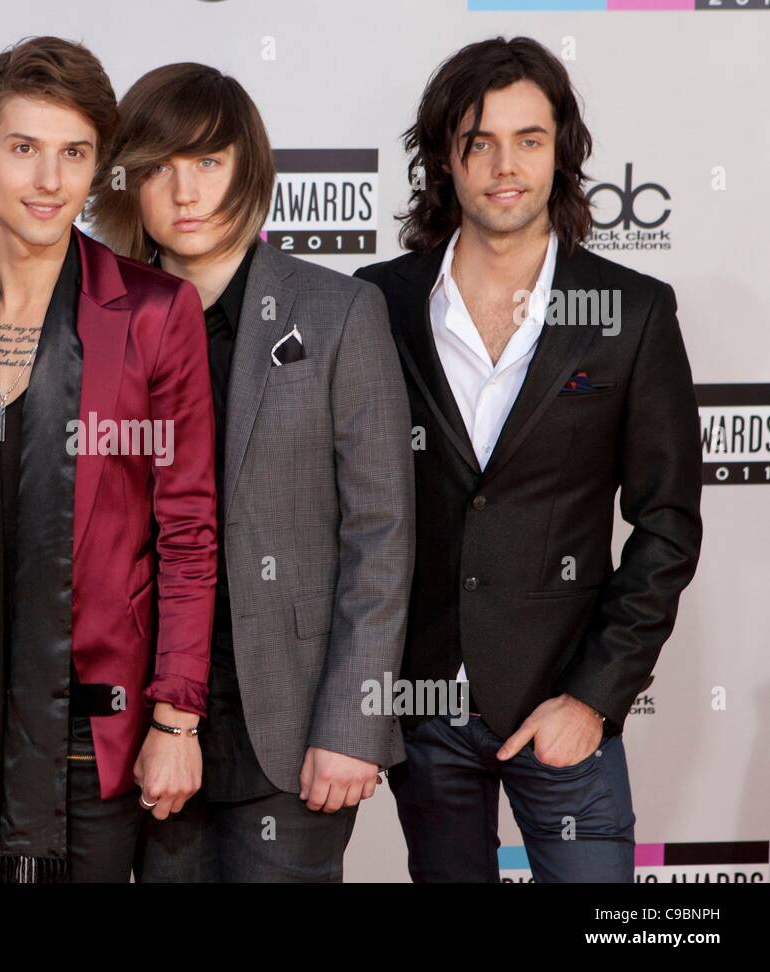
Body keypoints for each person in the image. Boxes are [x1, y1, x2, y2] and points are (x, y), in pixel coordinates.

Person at [355, 36, 703, 882]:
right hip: (426, 711)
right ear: (446, 157)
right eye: (479, 141)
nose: (504, 165)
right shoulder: (377, 304)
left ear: (562, 152)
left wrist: (592, 698)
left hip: (565, 707)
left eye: (529, 139)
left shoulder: (632, 311)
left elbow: (666, 526)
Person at [0, 36, 218, 882]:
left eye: (74, 154)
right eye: (23, 149)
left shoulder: (153, 313)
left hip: (93, 714)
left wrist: (177, 718)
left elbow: (187, 530)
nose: (48, 181)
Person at [90, 63, 415, 882]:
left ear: (251, 169)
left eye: (208, 162)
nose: (184, 191)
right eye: (159, 166)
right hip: (145, 726)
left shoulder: (339, 311)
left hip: (294, 720)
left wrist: (353, 722)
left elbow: (381, 536)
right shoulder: (98, 321)